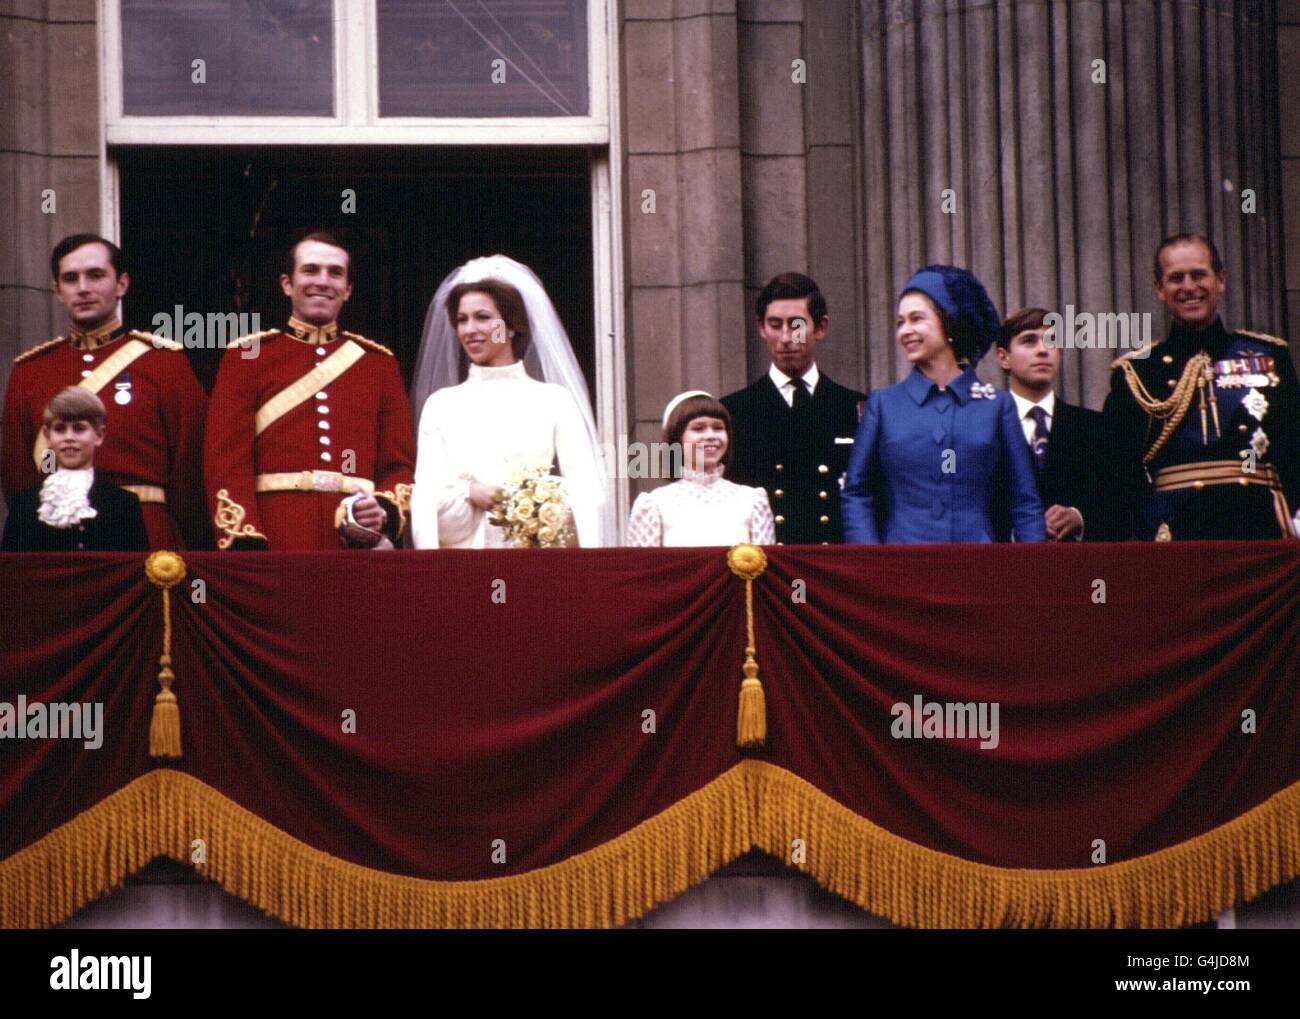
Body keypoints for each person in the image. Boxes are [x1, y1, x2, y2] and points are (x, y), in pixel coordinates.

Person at [203, 231, 416, 550]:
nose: (323, 281)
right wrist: (245, 539)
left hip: (356, 541)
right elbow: (225, 461)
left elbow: (400, 465)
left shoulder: (378, 365)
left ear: (348, 290)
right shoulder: (247, 356)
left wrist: (383, 509)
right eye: (310, 270)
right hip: (277, 536)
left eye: (336, 273)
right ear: (287, 284)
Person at [1, 233, 208, 548]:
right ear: (58, 291)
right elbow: (18, 479)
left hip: (145, 541)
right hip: (57, 540)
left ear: (121, 284)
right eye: (71, 279)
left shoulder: (164, 365)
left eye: (96, 276)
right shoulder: (30, 372)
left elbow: (190, 473)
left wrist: (191, 551)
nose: (83, 288)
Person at [1103, 232, 1300, 540]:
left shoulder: (1270, 356)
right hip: (1175, 533)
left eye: (1199, 275)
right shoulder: (1137, 371)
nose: (1188, 288)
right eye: (1176, 278)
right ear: (1159, 288)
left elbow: (1293, 448)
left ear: (1220, 280)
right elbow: (1120, 473)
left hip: (1258, 528)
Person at [409, 256, 609, 549]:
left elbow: (588, 492)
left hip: (537, 565)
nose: (470, 330)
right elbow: (426, 501)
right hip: (464, 569)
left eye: (483, 317)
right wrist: (470, 493)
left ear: (512, 326)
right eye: (462, 320)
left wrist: (534, 503)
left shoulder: (554, 400)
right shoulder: (441, 405)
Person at [841, 265, 1046, 544]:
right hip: (899, 570)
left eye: (916, 319)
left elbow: (1024, 501)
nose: (905, 331)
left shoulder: (997, 405)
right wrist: (872, 564)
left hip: (978, 569)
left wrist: (1031, 573)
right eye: (900, 322)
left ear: (950, 324)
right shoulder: (883, 404)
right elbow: (857, 494)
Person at [721, 272, 866, 545]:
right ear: (762, 329)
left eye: (796, 325)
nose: (786, 337)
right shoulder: (732, 413)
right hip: (764, 569)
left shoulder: (856, 408)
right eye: (775, 325)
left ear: (820, 327)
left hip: (833, 568)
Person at [991, 307, 1114, 541]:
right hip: (1005, 567)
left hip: (1080, 568)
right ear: (1003, 357)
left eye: (1052, 341)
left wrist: (1079, 517)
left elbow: (1122, 500)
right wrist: (1022, 531)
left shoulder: (1095, 428)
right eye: (1029, 341)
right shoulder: (986, 432)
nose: (1043, 350)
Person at [1, 387, 147, 551]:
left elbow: (132, 570)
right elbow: (12, 571)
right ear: (48, 436)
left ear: (99, 435)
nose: (69, 437)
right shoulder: (24, 505)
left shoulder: (123, 504)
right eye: (60, 429)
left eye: (79, 428)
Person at [626, 391, 775, 547]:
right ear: (677, 438)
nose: (711, 435)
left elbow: (765, 565)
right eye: (698, 428)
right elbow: (646, 568)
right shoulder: (654, 504)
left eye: (718, 428)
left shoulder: (752, 500)